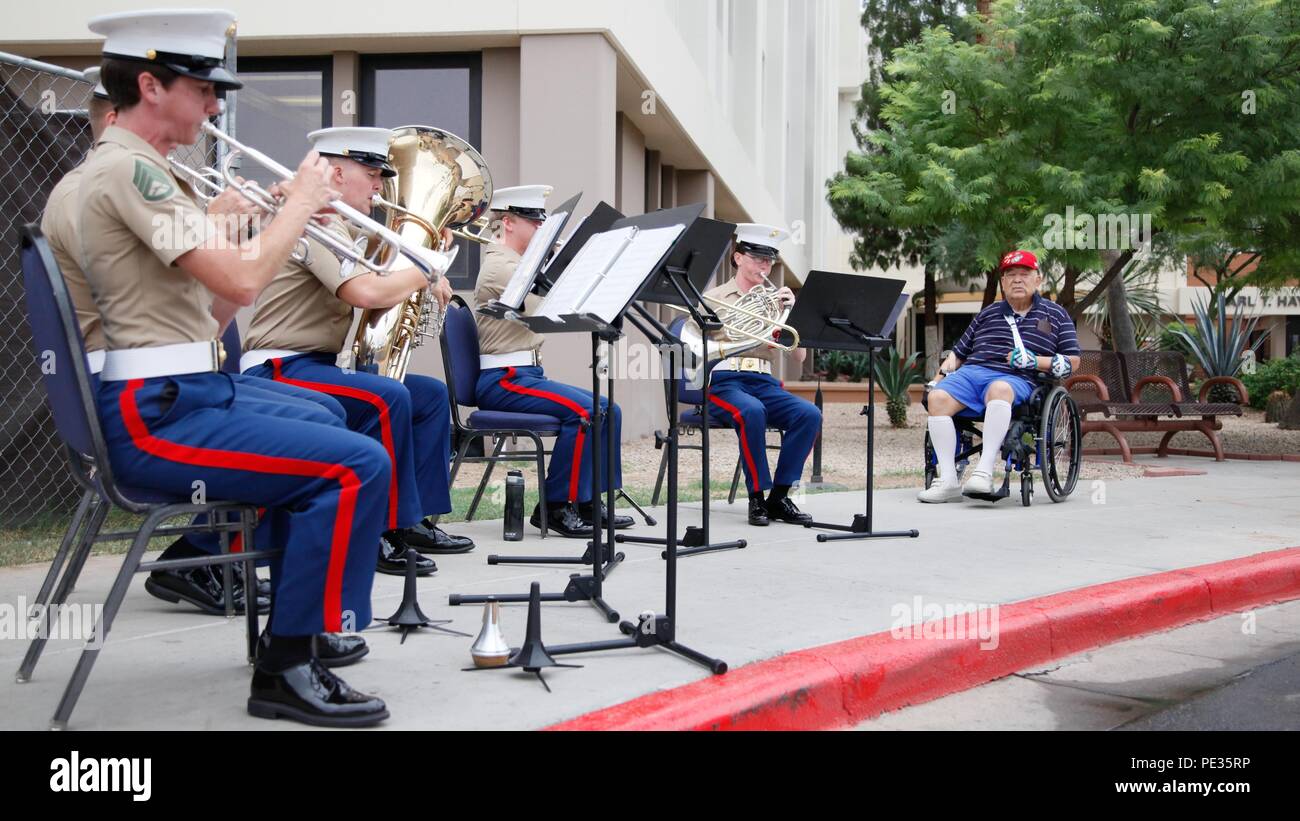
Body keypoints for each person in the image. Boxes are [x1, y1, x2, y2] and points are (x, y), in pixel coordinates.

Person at [81, 8, 391, 726]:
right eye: (203, 87)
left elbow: (211, 310)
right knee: (354, 463)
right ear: (151, 86)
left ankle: (299, 630)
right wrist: (298, 209)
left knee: (328, 414)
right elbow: (247, 287)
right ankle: (287, 663)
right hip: (151, 412)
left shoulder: (139, 171)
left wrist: (242, 227)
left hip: (173, 389)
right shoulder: (130, 173)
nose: (216, 104)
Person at [240, 126, 474, 578]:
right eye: (371, 173)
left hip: (315, 364)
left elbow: (385, 276)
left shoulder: (345, 227)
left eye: (382, 176)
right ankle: (379, 530)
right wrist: (428, 270)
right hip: (278, 365)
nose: (381, 186)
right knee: (388, 397)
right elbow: (365, 292)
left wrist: (425, 253)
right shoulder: (311, 222)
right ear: (334, 173)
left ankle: (412, 520)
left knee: (425, 396)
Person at [472, 186, 630, 538]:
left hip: (526, 375)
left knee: (609, 409)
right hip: (504, 378)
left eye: (543, 221)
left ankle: (589, 502)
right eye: (534, 221)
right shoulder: (500, 265)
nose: (542, 229)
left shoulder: (521, 264)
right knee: (587, 412)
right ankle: (557, 506)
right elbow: (547, 309)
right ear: (509, 222)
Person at [918, 249, 1081, 503]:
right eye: (1010, 275)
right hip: (973, 372)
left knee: (1000, 389)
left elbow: (1073, 361)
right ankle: (948, 480)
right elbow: (958, 353)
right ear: (1003, 283)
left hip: (1017, 379)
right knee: (937, 398)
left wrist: (1035, 361)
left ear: (1038, 279)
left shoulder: (1056, 315)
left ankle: (983, 472)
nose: (1017, 279)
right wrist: (936, 381)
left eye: (1024, 274)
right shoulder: (988, 313)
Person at [701, 223, 821, 526]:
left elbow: (799, 356)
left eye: (769, 260)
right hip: (725, 380)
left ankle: (779, 498)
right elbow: (699, 347)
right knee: (752, 411)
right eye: (757, 258)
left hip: (765, 381)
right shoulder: (713, 298)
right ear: (738, 257)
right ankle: (757, 497)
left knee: (809, 414)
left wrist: (794, 315)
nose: (764, 266)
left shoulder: (777, 302)